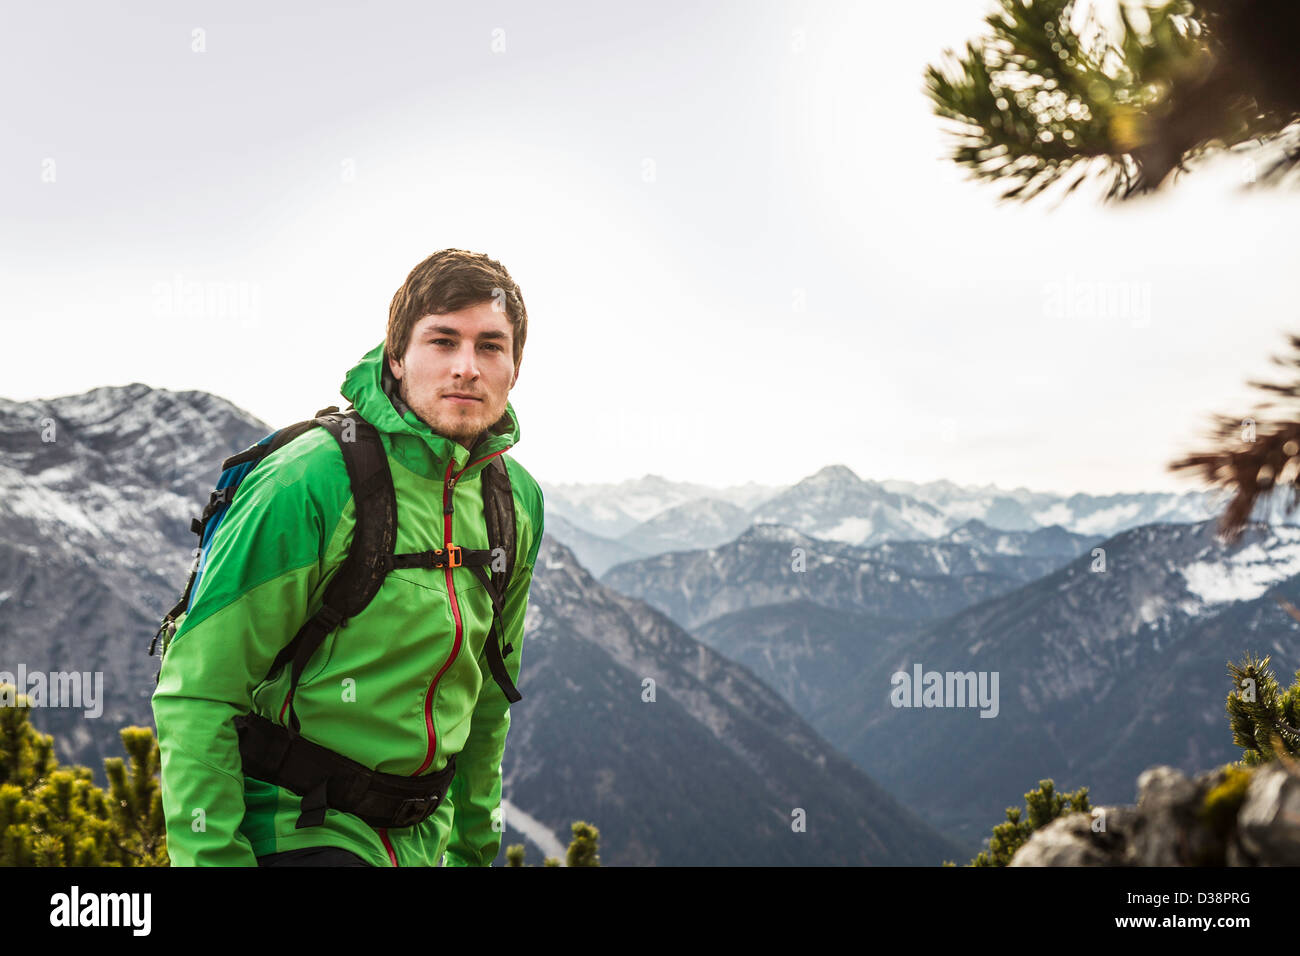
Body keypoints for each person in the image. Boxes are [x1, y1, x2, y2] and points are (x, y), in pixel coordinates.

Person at [151, 249, 545, 867]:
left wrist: (471, 852)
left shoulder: (513, 501)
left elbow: (489, 698)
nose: (466, 367)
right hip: (298, 827)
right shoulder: (310, 479)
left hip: (421, 840)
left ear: (515, 367)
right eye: (443, 341)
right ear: (397, 356)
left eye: (490, 346)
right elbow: (199, 692)